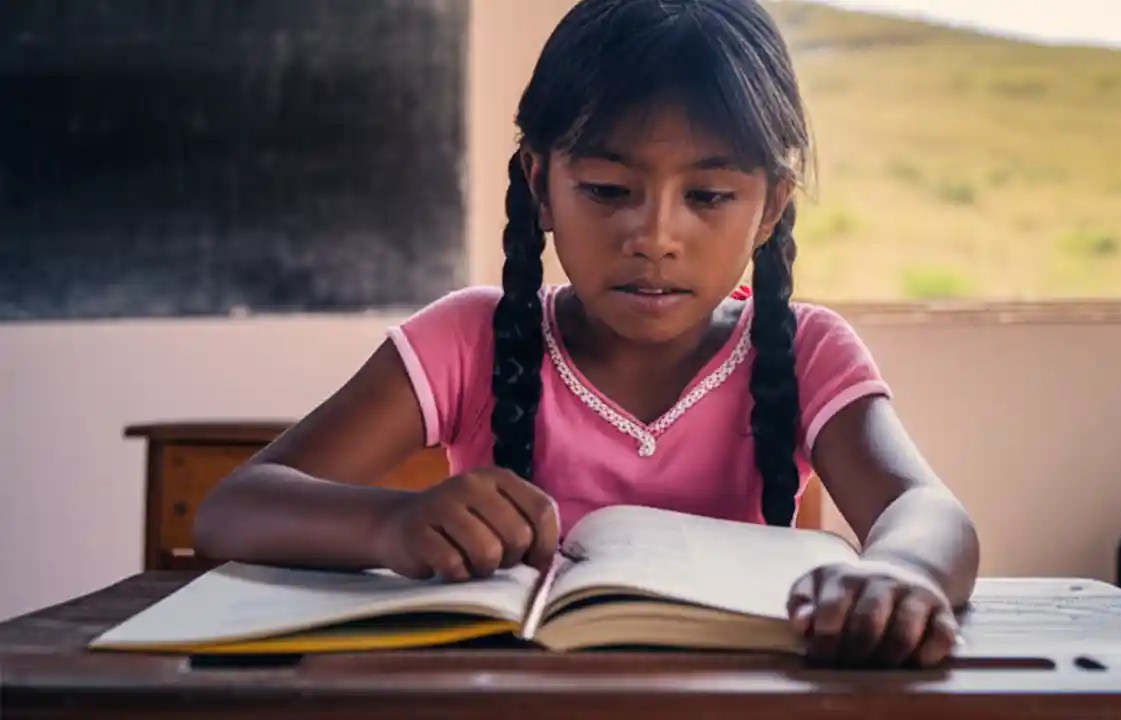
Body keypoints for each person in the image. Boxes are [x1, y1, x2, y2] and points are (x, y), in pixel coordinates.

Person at [194, 0, 979, 669]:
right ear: (539, 184)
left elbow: (928, 510)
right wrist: (390, 524)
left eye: (708, 195)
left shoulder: (807, 349)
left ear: (770, 208)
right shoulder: (471, 337)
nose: (655, 235)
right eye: (607, 190)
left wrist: (902, 573)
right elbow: (232, 510)